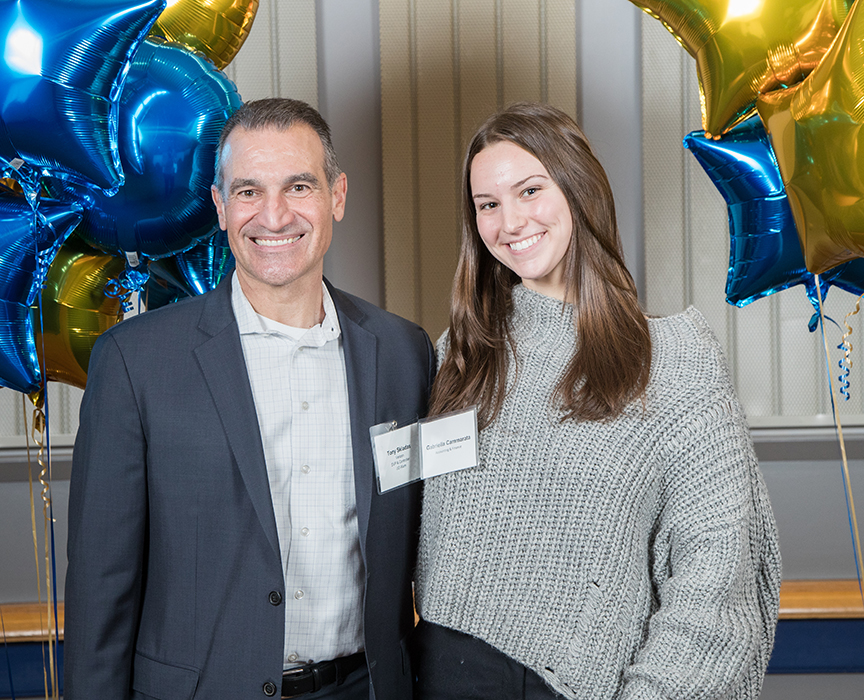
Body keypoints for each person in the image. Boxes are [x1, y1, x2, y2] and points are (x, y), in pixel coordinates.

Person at [64, 98, 434, 700]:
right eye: (248, 191)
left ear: (337, 196)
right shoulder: (136, 362)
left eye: (298, 186)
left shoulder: (403, 352)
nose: (274, 215)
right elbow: (99, 589)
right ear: (220, 206)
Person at [413, 102, 781, 699]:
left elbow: (720, 576)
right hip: (434, 676)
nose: (510, 221)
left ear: (578, 188)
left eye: (530, 190)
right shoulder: (458, 353)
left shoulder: (673, 360)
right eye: (487, 204)